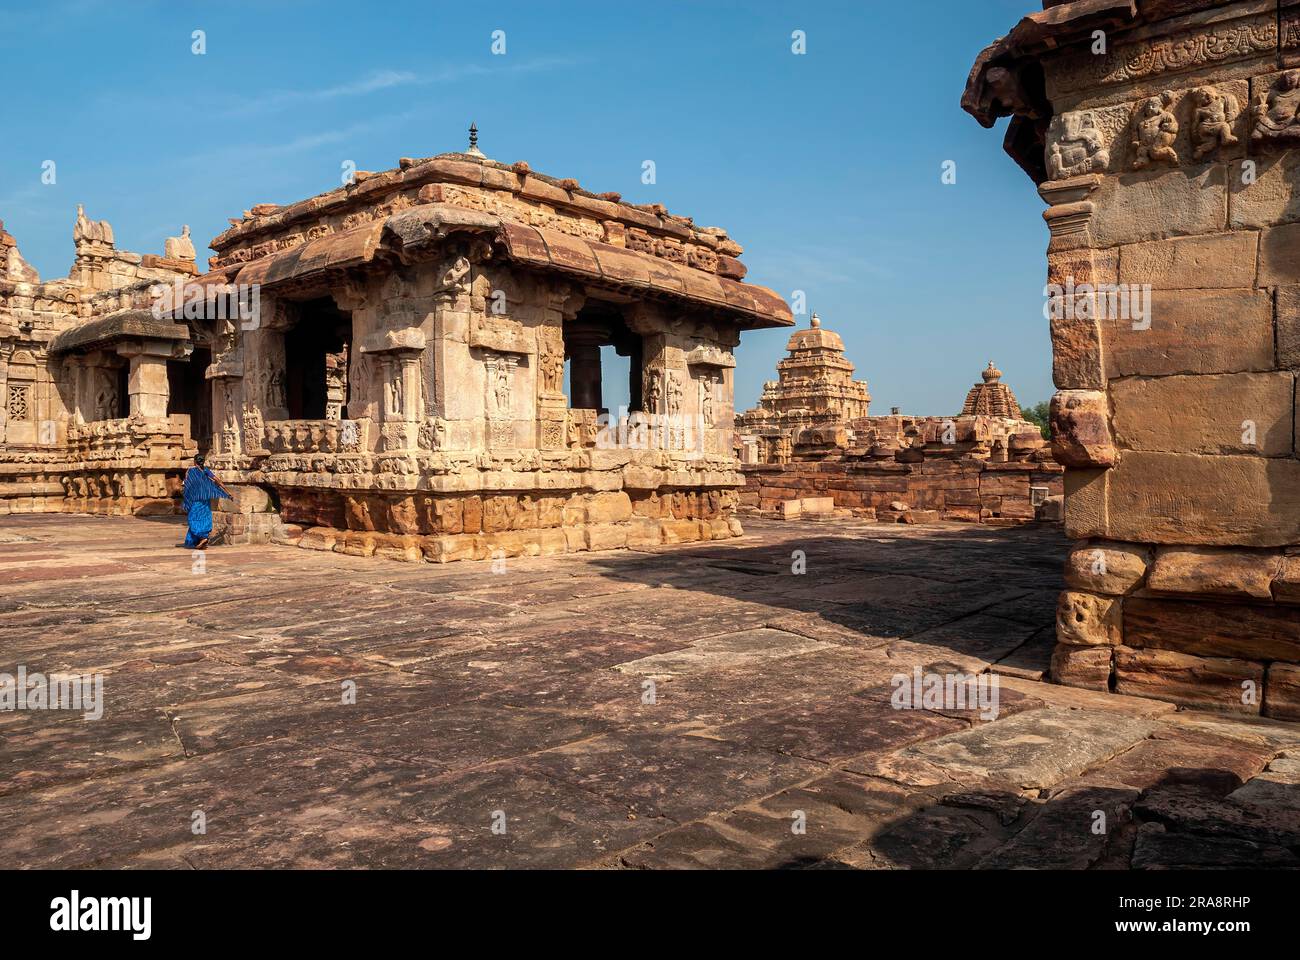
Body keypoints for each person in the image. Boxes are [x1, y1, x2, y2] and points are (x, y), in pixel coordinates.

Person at [182, 454, 231, 550]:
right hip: (205, 500)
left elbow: (186, 483)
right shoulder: (206, 470)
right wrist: (227, 492)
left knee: (193, 518)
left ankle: (202, 537)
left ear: (195, 461)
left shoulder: (190, 471)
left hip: (195, 500)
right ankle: (201, 540)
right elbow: (217, 480)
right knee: (204, 518)